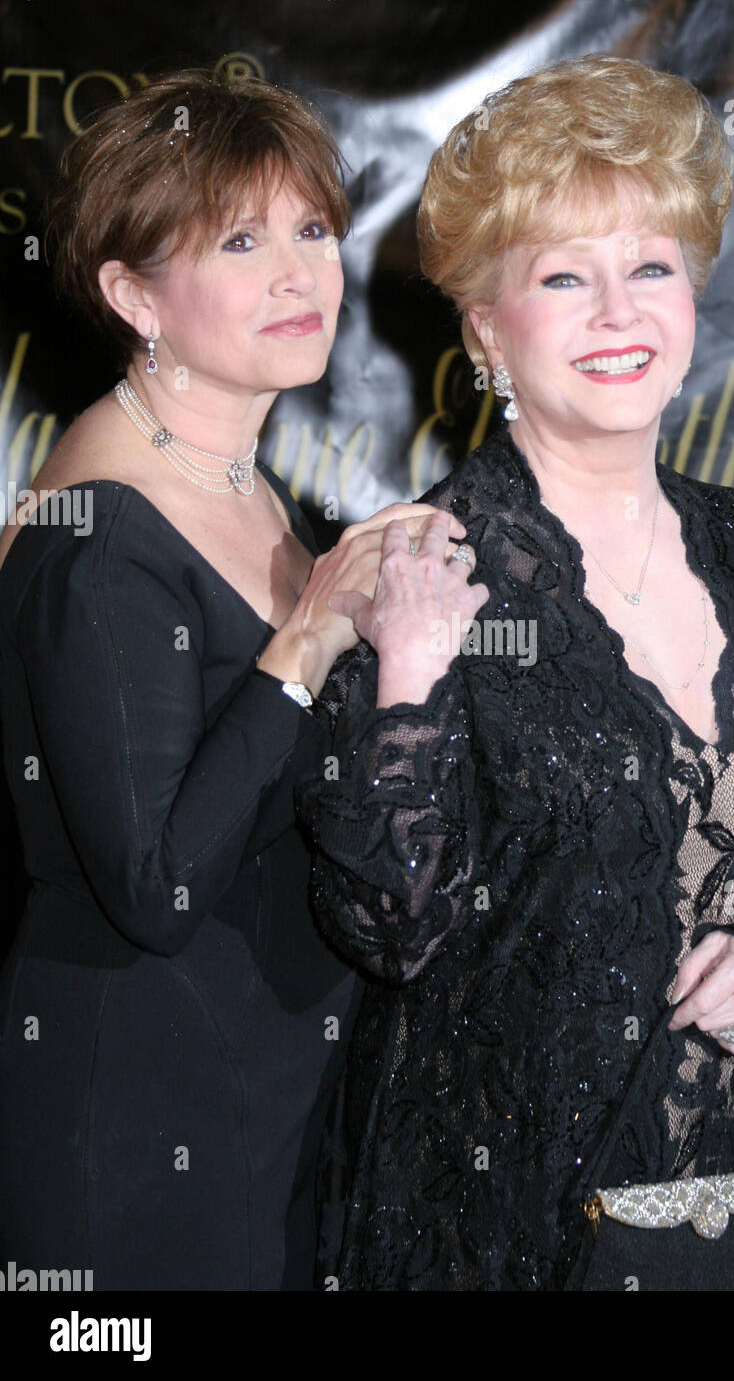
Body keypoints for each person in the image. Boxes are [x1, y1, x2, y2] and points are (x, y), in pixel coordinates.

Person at [295, 54, 734, 1291]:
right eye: (563, 278)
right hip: (503, 1226)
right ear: (486, 327)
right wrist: (409, 681)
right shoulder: (425, 565)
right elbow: (387, 931)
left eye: (650, 268)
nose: (619, 313)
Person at [0, 68, 475, 1290]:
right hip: (143, 1119)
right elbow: (156, 888)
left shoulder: (258, 492)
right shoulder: (96, 535)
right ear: (129, 292)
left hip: (271, 1092)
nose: (298, 274)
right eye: (241, 239)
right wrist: (307, 643)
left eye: (313, 230)